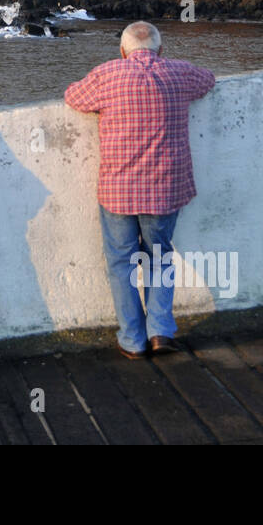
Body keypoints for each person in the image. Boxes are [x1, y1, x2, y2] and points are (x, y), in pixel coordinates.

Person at [65, 21, 215, 360]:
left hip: (118, 190)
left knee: (122, 263)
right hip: (164, 190)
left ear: (123, 51)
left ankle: (132, 339)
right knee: (159, 257)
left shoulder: (108, 74)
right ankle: (160, 331)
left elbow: (73, 95)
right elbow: (208, 79)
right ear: (161, 50)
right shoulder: (179, 72)